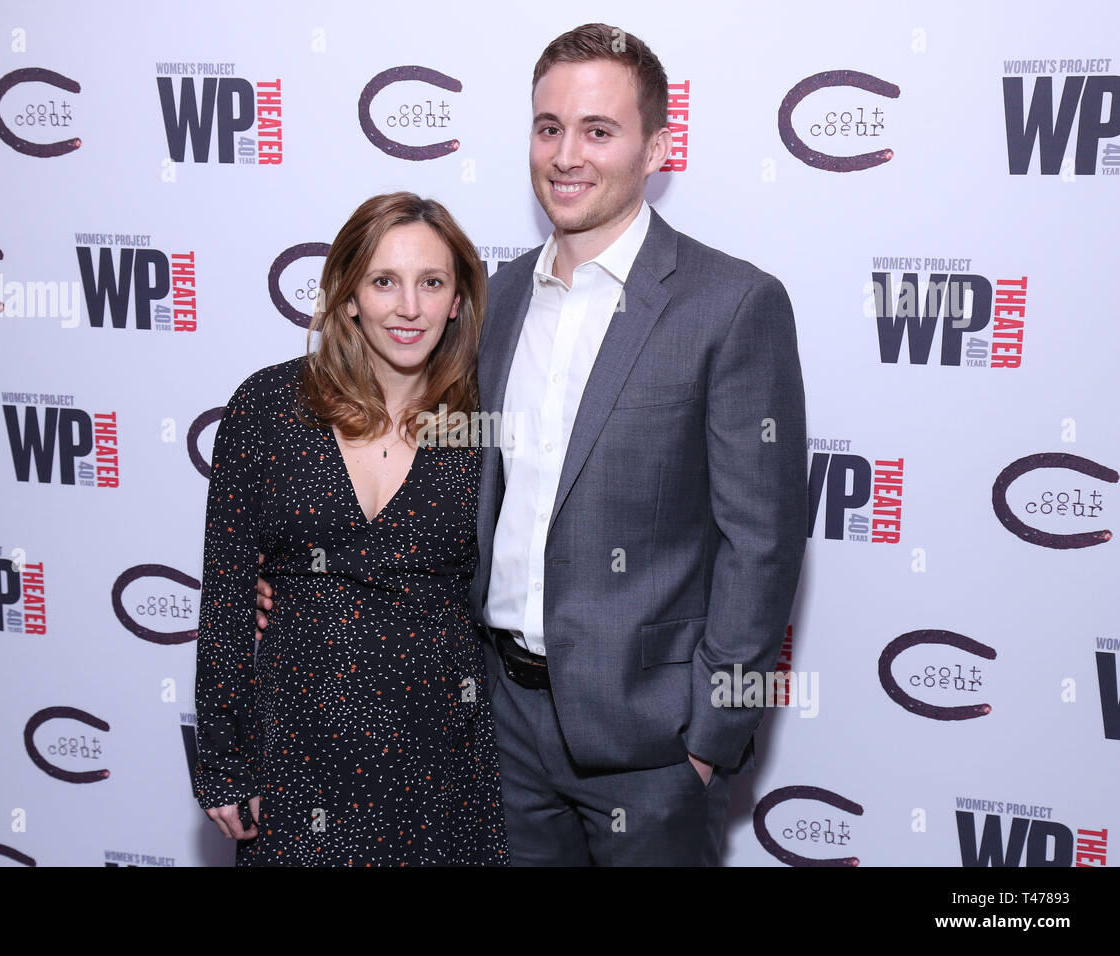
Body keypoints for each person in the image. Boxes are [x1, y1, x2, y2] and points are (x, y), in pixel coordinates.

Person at [470, 23, 808, 865]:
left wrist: (710, 739)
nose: (566, 155)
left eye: (598, 130)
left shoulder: (731, 304)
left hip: (654, 746)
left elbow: (761, 542)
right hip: (504, 722)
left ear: (656, 146)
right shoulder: (500, 295)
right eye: (549, 128)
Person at [191, 192, 509, 866]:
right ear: (349, 294)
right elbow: (224, 597)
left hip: (440, 754)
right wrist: (223, 763)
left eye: (432, 282)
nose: (409, 306)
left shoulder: (487, 420)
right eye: (384, 281)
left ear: (458, 300)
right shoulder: (268, 407)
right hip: (295, 753)